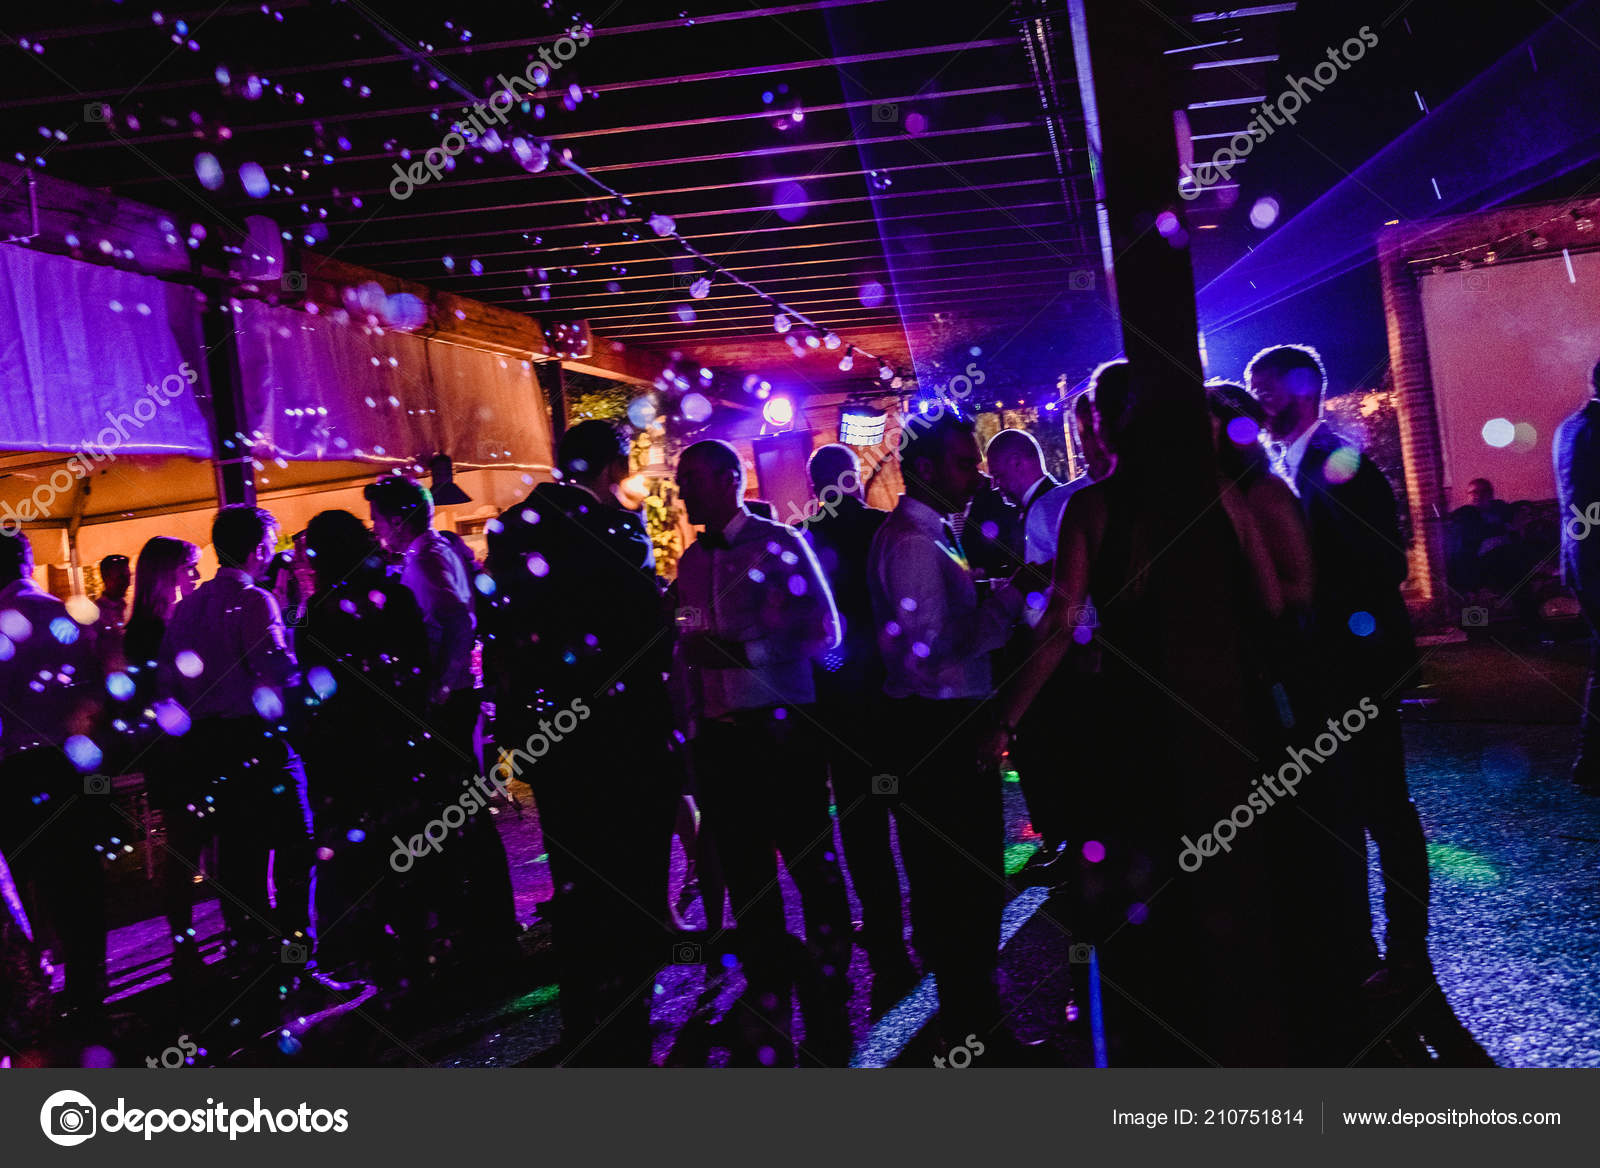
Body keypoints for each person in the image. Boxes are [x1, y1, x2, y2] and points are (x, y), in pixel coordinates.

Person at [985, 370, 1292, 1066]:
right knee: (1226, 884)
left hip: (1130, 721)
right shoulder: (1214, 492)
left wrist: (1003, 719)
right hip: (1222, 715)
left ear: (1104, 425)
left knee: (1134, 894)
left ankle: (1150, 1046)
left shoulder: (1091, 509)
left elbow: (1060, 623)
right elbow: (1271, 602)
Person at [485, 420, 679, 1064]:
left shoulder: (513, 530)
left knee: (575, 872)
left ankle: (581, 1017)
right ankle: (626, 1016)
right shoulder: (613, 531)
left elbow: (500, 629)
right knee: (633, 873)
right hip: (622, 728)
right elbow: (646, 631)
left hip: (554, 728)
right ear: (608, 468)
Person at [1246, 344, 1430, 987]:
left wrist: (1317, 599)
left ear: (1304, 390)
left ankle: (1407, 951)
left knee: (1384, 809)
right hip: (1321, 671)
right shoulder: (1282, 470)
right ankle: (1359, 947)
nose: (1259, 401)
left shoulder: (1339, 465)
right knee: (1344, 809)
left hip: (1357, 668)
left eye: (1265, 388)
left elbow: (1386, 567)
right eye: (1254, 388)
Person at [674, 438, 852, 1066]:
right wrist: (691, 728)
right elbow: (685, 652)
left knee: (808, 858)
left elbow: (825, 632)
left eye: (691, 477)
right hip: (722, 738)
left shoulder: (781, 543)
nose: (682, 488)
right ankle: (769, 988)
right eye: (680, 478)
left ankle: (833, 982)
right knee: (749, 872)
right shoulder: (691, 563)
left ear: (729, 479)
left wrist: (743, 652)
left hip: (783, 730)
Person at [868, 410, 1039, 1059]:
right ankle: (978, 1036)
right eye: (965, 463)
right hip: (939, 728)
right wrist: (1004, 605)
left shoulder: (932, 532)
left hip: (935, 725)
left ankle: (976, 1027)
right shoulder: (914, 542)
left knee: (960, 888)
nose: (977, 474)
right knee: (961, 889)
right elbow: (932, 652)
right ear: (926, 469)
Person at [366, 475, 517, 961]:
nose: (375, 528)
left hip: (451, 702)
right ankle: (490, 920)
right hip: (457, 698)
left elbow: (456, 620)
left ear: (395, 518)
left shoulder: (427, 557)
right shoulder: (430, 552)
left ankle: (491, 926)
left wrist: (444, 687)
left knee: (463, 810)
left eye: (378, 518)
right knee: (465, 810)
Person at [159, 505, 313, 977]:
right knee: (294, 845)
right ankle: (296, 961)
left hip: (209, 744)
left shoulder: (185, 608)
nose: (271, 554)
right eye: (269, 544)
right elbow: (276, 670)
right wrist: (295, 632)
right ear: (255, 549)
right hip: (256, 739)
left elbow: (168, 684)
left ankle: (252, 954)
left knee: (239, 857)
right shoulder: (254, 599)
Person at [798, 443, 915, 1010]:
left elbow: (806, 626)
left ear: (814, 484)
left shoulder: (804, 540)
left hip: (841, 706)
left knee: (863, 835)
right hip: (890, 697)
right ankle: (919, 943)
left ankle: (889, 951)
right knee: (911, 828)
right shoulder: (881, 527)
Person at [297, 509, 430, 986]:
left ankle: (382, 960)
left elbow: (317, 689)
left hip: (346, 753)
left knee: (362, 858)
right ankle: (416, 951)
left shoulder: (318, 613)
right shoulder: (392, 597)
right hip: (395, 743)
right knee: (406, 848)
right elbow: (420, 666)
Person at [0, 531, 108, 1016]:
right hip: (62, 762)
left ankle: (32, 994)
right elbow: (86, 695)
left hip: (11, 767)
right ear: (27, 561)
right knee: (77, 884)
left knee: (23, 887)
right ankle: (87, 996)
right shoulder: (58, 610)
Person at [984, 427, 1088, 876]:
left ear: (1018, 463)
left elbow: (1059, 577)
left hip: (1059, 642)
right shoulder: (1042, 505)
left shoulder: (1050, 506)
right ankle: (1066, 842)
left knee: (1054, 745)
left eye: (997, 474)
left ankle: (1066, 842)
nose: (995, 484)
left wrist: (1017, 586)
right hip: (1055, 638)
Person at [119, 537, 206, 978]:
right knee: (185, 848)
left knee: (190, 845)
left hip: (179, 748)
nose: (195, 575)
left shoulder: (159, 626)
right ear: (166, 573)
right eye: (190, 567)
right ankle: (185, 949)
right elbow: (156, 696)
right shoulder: (151, 632)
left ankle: (189, 947)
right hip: (173, 752)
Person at [1556, 359, 1600, 794]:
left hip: (1582, 560)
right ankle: (1588, 765)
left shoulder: (1570, 427)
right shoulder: (1595, 431)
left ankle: (1589, 765)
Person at [94, 554, 130, 664]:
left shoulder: (129, 606)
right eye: (121, 577)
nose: (127, 582)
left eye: (128, 576)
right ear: (106, 578)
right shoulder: (96, 613)